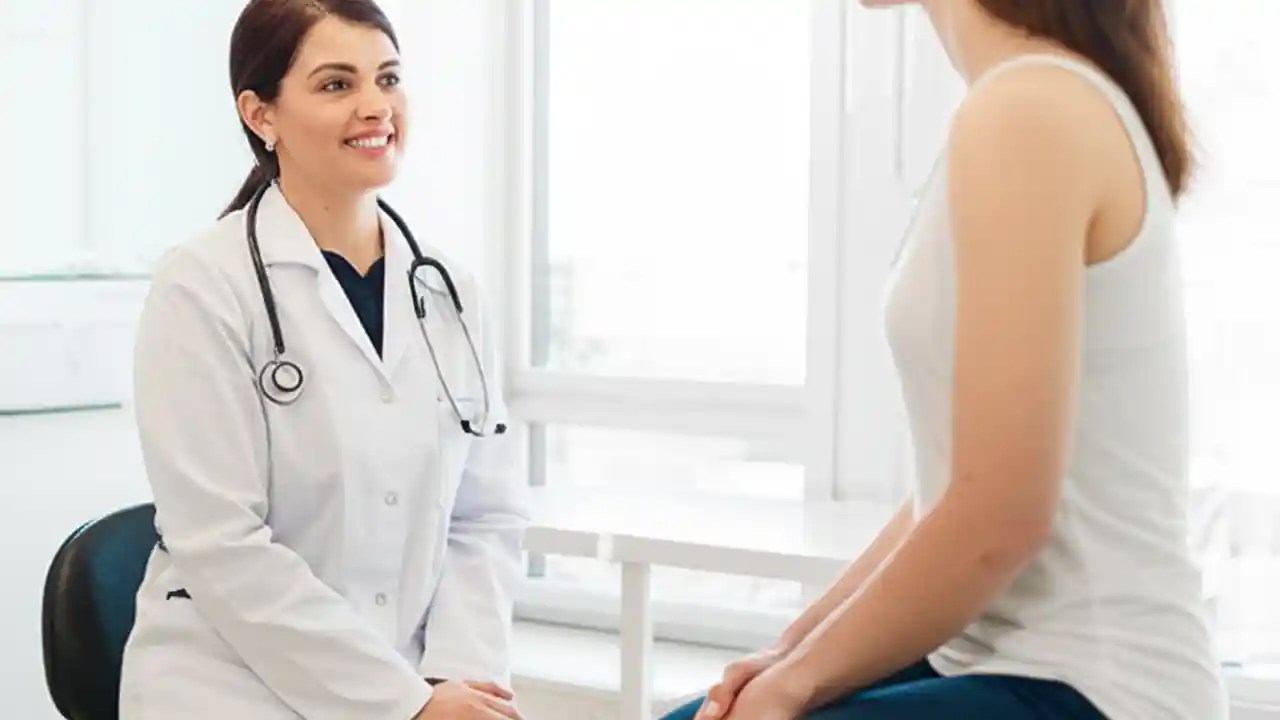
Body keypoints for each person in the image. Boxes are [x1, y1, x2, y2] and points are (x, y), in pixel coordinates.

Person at [665, 1, 1226, 718]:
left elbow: (999, 513)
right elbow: (956, 489)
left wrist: (796, 683)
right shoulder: (1020, 103)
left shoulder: (1029, 112)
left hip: (1099, 686)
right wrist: (790, 653)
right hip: (1002, 660)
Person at [118, 2, 527, 718]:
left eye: (388, 78)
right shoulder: (204, 285)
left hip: (414, 680)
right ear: (261, 114)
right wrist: (402, 703)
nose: (377, 107)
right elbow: (223, 545)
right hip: (227, 687)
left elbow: (483, 518)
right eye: (337, 85)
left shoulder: (450, 294)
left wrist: (448, 679)